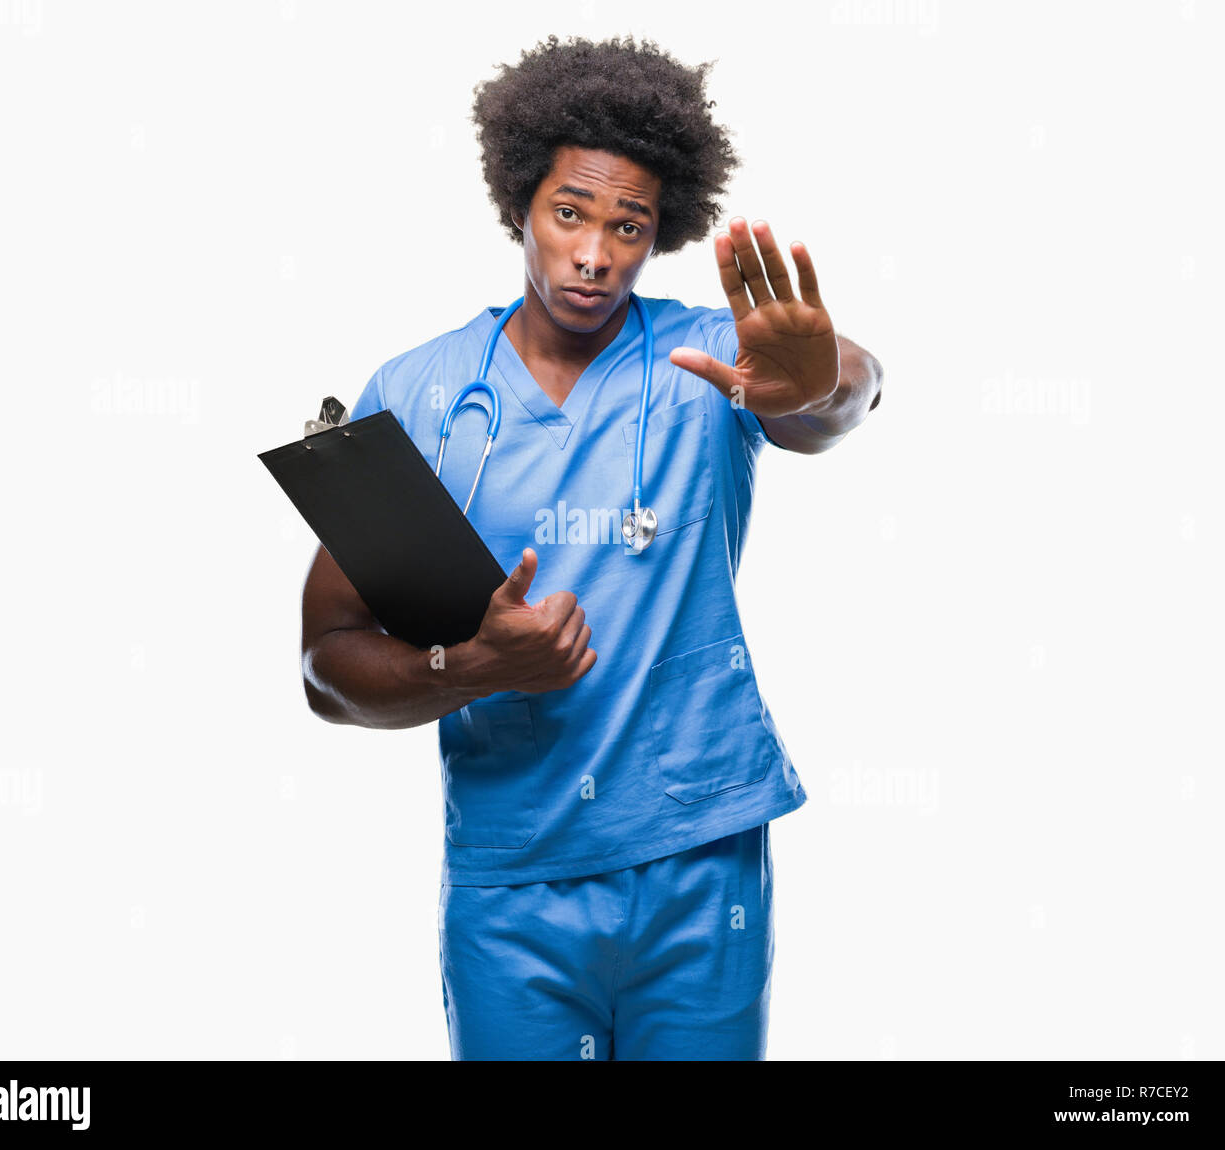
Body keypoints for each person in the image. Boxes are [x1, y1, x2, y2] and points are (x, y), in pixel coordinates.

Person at [300, 33, 883, 1060]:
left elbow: (838, 394)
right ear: (520, 201)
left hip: (698, 857)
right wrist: (476, 667)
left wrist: (823, 384)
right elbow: (326, 664)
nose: (595, 252)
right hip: (513, 880)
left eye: (630, 225)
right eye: (570, 212)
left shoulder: (707, 362)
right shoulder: (424, 393)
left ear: (659, 234)